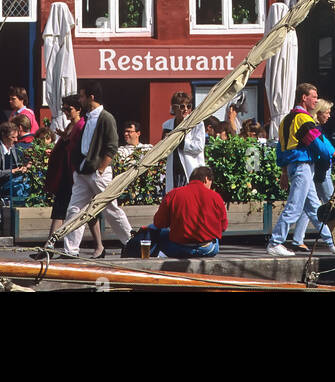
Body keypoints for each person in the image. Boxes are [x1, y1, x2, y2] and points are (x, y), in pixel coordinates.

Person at [268, 82, 335, 257]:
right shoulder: (304, 119)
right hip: (303, 166)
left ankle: (332, 243)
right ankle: (275, 242)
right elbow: (319, 146)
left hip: (295, 166)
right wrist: (331, 158)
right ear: (304, 98)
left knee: (314, 207)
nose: (316, 101)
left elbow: (281, 148)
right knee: (295, 207)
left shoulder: (286, 119)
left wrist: (284, 171)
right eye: (314, 97)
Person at [61, 83, 134, 257]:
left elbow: (111, 146)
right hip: (83, 170)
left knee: (110, 208)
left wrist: (101, 169)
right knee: (75, 209)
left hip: (97, 171)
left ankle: (131, 242)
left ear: (91, 97)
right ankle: (70, 250)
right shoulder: (87, 117)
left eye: (82, 96)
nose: (80, 99)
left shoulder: (106, 118)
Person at [151, 164, 228, 259]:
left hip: (177, 248)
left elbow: (159, 223)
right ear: (206, 179)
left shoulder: (173, 194)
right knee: (215, 239)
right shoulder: (216, 197)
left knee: (155, 230)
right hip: (207, 249)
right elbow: (223, 227)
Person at [47, 94, 84, 240]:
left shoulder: (81, 125)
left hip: (73, 175)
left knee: (82, 212)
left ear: (78, 109)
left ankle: (99, 246)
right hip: (65, 175)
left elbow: (77, 147)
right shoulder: (70, 125)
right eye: (64, 109)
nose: (66, 112)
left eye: (68, 109)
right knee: (59, 209)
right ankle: (49, 245)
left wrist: (66, 139)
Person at [162, 90, 206, 193]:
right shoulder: (167, 125)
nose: (186, 109)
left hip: (191, 168)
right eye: (182, 106)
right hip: (174, 169)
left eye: (189, 106)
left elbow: (199, 147)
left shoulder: (197, 124)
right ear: (174, 108)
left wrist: (177, 142)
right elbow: (163, 149)